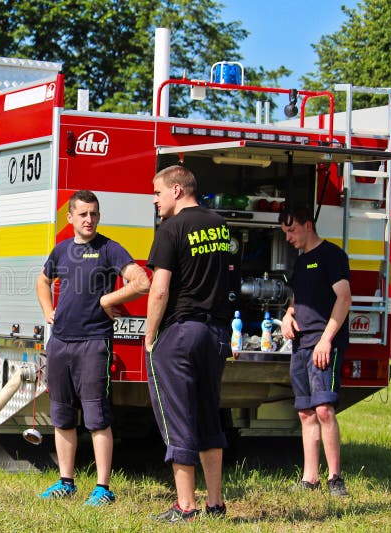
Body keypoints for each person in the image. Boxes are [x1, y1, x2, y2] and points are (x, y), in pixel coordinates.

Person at [36, 189, 149, 506]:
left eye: (94, 214)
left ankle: (103, 488)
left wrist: (108, 300)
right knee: (61, 415)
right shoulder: (60, 251)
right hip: (60, 342)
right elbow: (42, 281)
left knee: (97, 417)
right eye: (83, 214)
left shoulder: (109, 249)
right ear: (70, 217)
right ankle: (66, 482)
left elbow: (141, 281)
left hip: (94, 343)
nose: (89, 219)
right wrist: (48, 310)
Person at [143, 165, 231, 523]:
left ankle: (185, 506)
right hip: (216, 334)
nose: (155, 199)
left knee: (177, 416)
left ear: (177, 190)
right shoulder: (220, 225)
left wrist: (150, 336)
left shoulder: (171, 229)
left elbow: (160, 288)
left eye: (158, 192)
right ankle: (215, 503)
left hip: (181, 333)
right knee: (209, 414)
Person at [279, 204, 351, 498]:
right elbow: (298, 298)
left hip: (324, 344)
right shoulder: (300, 262)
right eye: (285, 233)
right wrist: (288, 314)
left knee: (324, 409)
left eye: (292, 230)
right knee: (306, 412)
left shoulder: (332, 255)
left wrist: (326, 340)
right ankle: (310, 478)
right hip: (300, 345)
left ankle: (335, 478)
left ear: (308, 225)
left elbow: (344, 299)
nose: (289, 238)